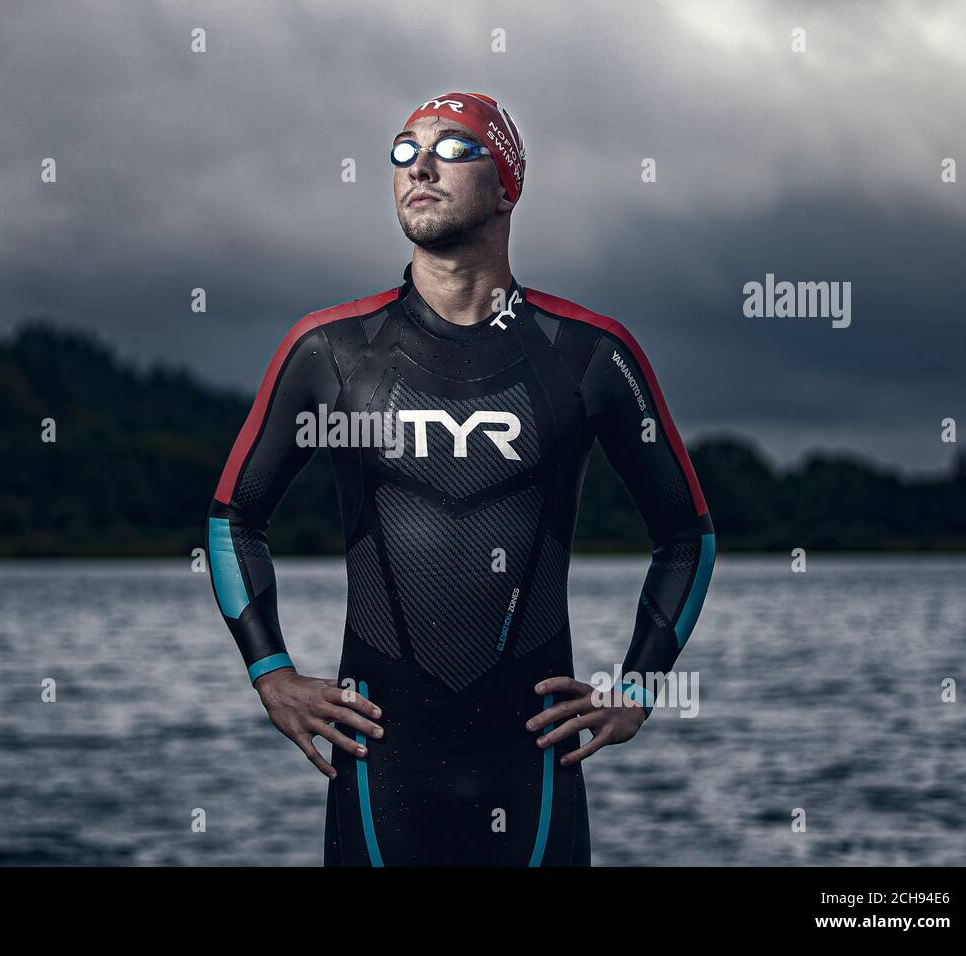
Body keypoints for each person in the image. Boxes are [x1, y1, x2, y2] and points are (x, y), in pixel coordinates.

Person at [206, 92, 715, 866]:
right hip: (381, 765)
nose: (421, 164)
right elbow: (233, 517)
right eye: (403, 149)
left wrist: (639, 687)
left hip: (532, 765)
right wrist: (270, 670)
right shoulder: (332, 349)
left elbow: (686, 536)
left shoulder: (589, 353)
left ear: (508, 185)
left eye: (455, 148)